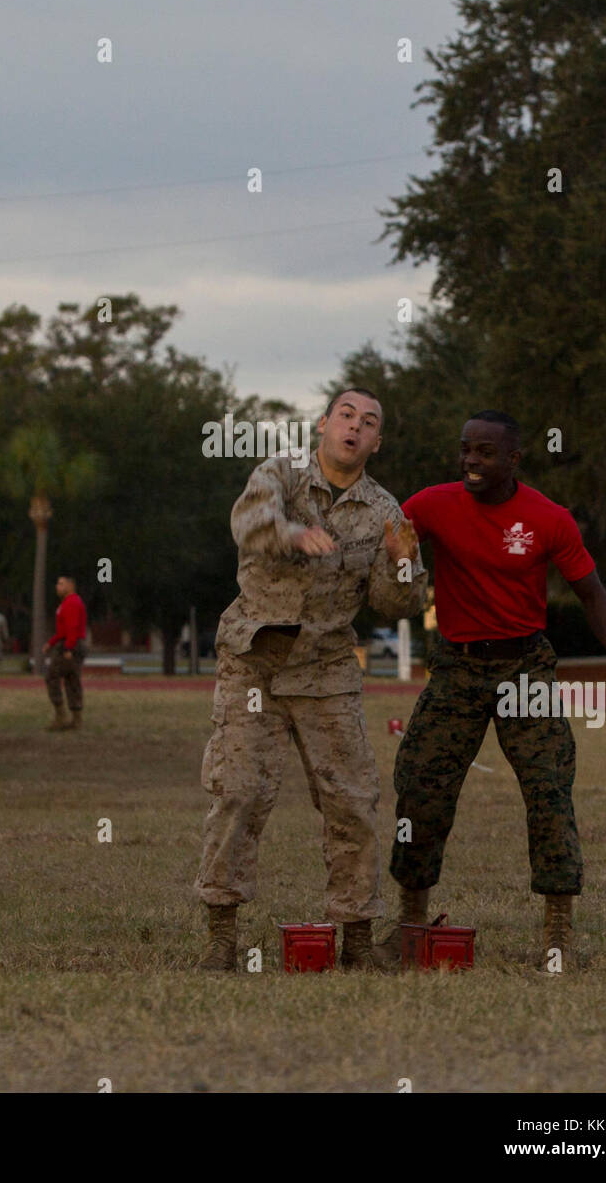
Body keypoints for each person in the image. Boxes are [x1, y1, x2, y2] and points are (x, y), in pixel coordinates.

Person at [378, 411, 606, 972]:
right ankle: (409, 923)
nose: (471, 461)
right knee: (421, 787)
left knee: (549, 790)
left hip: (525, 668)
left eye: (485, 453)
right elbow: (389, 542)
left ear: (514, 459)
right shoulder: (431, 504)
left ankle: (559, 932)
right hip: (456, 667)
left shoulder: (549, 518)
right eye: (466, 450)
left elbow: (591, 593)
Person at [194, 388, 427, 972]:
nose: (354, 427)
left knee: (352, 800)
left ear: (377, 441)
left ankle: (355, 940)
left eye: (368, 422)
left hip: (326, 668)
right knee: (240, 791)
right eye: (345, 415)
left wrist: (404, 560)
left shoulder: (383, 511)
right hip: (256, 660)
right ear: (323, 424)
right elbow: (248, 520)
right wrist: (291, 535)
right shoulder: (280, 472)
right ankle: (222, 937)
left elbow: (393, 604)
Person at [43, 575, 87, 730]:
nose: (57, 586)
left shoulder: (72, 602)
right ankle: (76, 719)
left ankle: (61, 715)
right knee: (71, 679)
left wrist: (69, 648)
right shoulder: (66, 603)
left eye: (61, 583)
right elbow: (62, 630)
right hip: (68, 642)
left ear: (70, 585)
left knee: (52, 675)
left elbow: (72, 628)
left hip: (70, 645)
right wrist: (51, 642)